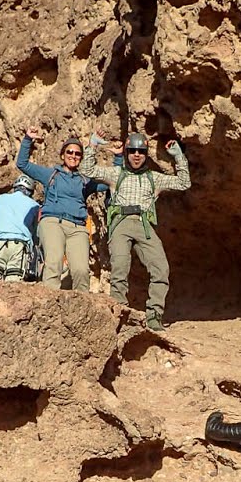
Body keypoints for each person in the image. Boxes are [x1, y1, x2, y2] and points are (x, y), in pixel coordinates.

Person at [81, 131, 190, 332]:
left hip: (144, 225)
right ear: (126, 153)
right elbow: (86, 169)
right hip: (121, 223)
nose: (137, 155)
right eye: (132, 151)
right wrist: (92, 145)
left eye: (141, 151)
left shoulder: (154, 178)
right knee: (120, 268)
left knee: (161, 269)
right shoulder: (115, 173)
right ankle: (118, 314)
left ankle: (154, 316)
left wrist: (178, 156)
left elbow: (183, 183)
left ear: (146, 153)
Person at [16, 128, 93, 291]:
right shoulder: (50, 174)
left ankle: (84, 307)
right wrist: (28, 139)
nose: (73, 155)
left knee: (81, 270)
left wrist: (118, 157)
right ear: (62, 155)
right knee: (54, 261)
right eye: (69, 152)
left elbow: (108, 181)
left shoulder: (85, 181)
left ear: (81, 158)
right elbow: (22, 164)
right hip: (52, 222)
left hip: (78, 227)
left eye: (77, 154)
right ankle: (49, 306)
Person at [0, 176, 40, 282]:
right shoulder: (34, 205)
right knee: (13, 284)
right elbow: (35, 233)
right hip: (19, 246)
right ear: (30, 191)